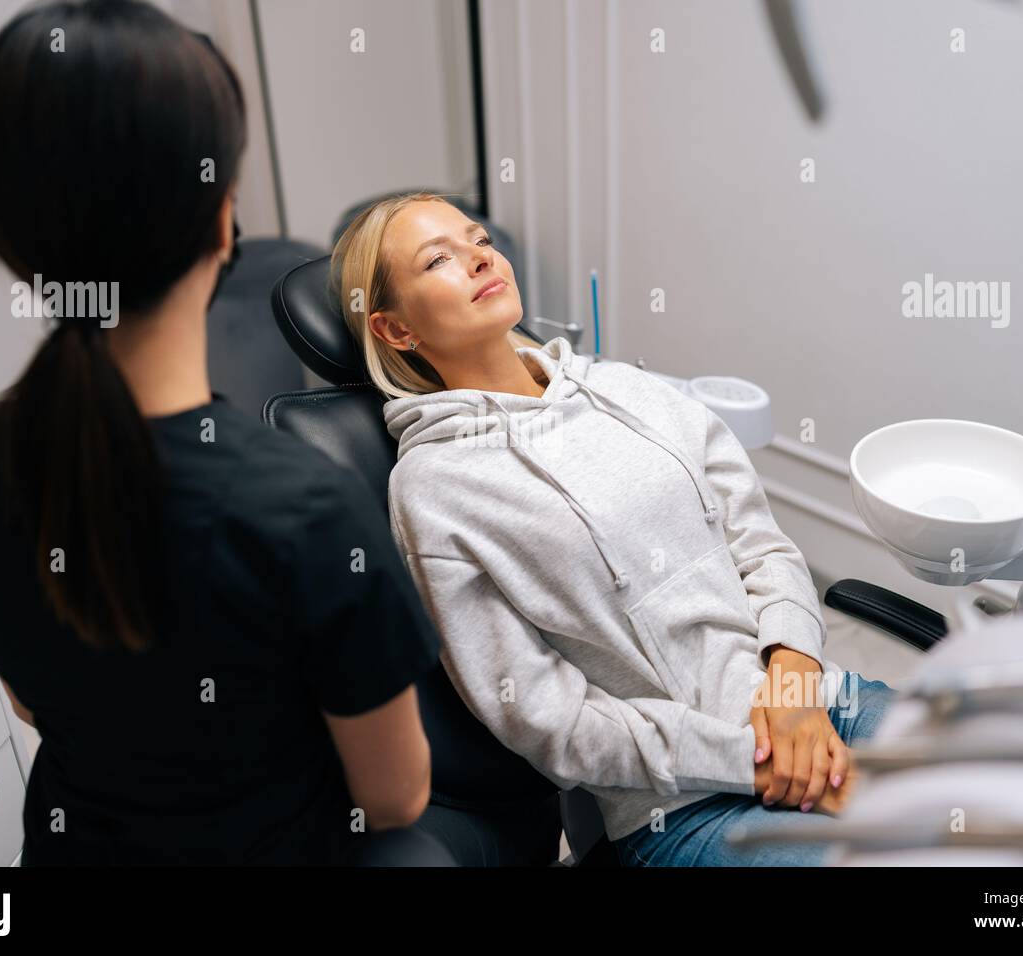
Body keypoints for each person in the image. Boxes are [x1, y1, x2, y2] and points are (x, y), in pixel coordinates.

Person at [0, 0, 446, 866]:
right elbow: (395, 797)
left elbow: (31, 703)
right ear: (222, 216)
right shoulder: (305, 507)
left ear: (7, 237)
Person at [329, 191, 899, 865]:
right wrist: (757, 762)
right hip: (682, 804)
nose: (480, 259)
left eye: (478, 239)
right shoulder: (434, 488)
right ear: (396, 330)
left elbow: (760, 541)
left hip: (813, 702)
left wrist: (797, 689)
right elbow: (543, 715)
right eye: (440, 260)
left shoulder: (627, 387)